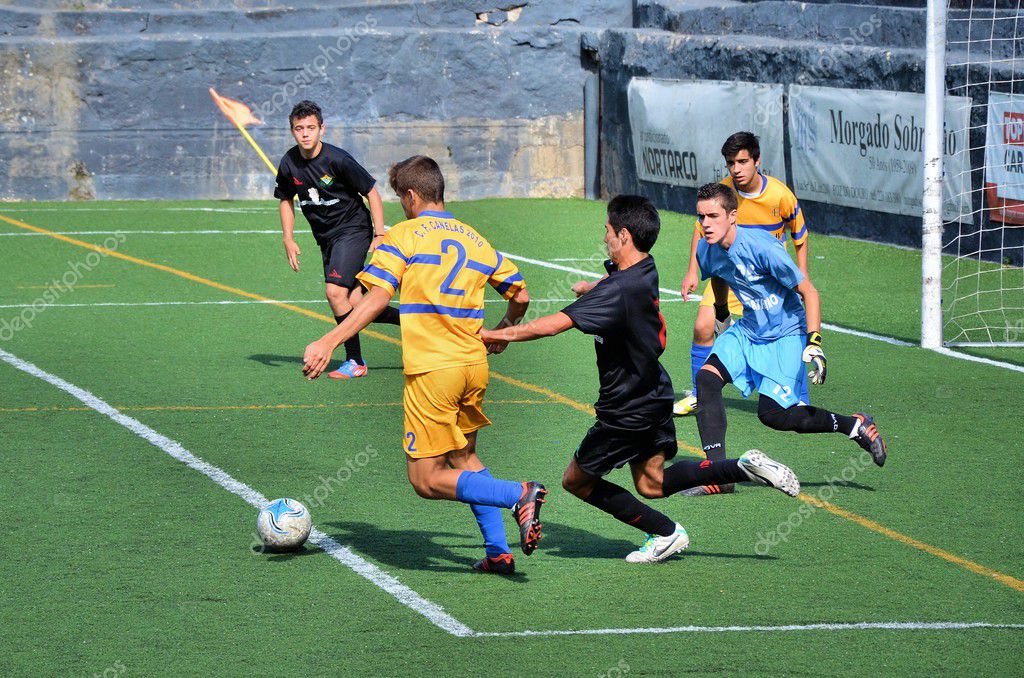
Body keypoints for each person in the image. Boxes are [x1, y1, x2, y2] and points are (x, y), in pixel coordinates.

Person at [480, 195, 802, 564]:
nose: (604, 239)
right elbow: (617, 286)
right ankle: (738, 468)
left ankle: (666, 531)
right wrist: (594, 289)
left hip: (625, 407)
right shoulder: (644, 269)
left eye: (607, 232)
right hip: (654, 394)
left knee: (576, 481)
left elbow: (552, 326)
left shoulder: (616, 290)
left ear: (624, 235)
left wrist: (494, 335)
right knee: (652, 483)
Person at [302, 155, 545, 575]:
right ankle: (497, 552)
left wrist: (330, 339)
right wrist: (504, 330)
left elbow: (376, 297)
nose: (401, 206)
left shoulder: (405, 235)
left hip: (434, 371)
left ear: (412, 195)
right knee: (465, 459)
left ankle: (517, 494)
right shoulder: (475, 238)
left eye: (400, 198)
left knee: (426, 480)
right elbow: (520, 295)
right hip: (474, 366)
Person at [690, 183, 887, 487]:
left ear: (732, 216)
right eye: (701, 216)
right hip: (750, 329)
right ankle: (719, 476)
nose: (705, 224)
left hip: (786, 333)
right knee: (706, 379)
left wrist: (815, 342)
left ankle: (853, 425)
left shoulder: (764, 248)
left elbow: (809, 292)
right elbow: (719, 274)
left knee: (775, 416)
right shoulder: (706, 247)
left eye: (712, 216)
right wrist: (721, 314)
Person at [676, 132, 811, 421]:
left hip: (764, 280)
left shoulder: (780, 195)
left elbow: (800, 234)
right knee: (703, 325)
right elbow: (701, 231)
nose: (736, 169)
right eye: (730, 163)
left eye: (742, 161)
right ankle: (701, 394)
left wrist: (802, 276)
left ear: (757, 161)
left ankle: (798, 398)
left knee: (785, 330)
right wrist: (691, 271)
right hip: (727, 273)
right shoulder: (722, 193)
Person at [275, 100, 400, 380]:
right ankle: (416, 319)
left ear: (322, 129)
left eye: (310, 127)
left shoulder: (338, 159)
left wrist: (380, 234)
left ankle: (355, 361)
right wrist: (288, 238)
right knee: (356, 304)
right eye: (299, 129)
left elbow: (372, 192)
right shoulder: (288, 163)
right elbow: (285, 199)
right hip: (326, 238)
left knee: (334, 293)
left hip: (353, 230)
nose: (305, 133)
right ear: (292, 131)